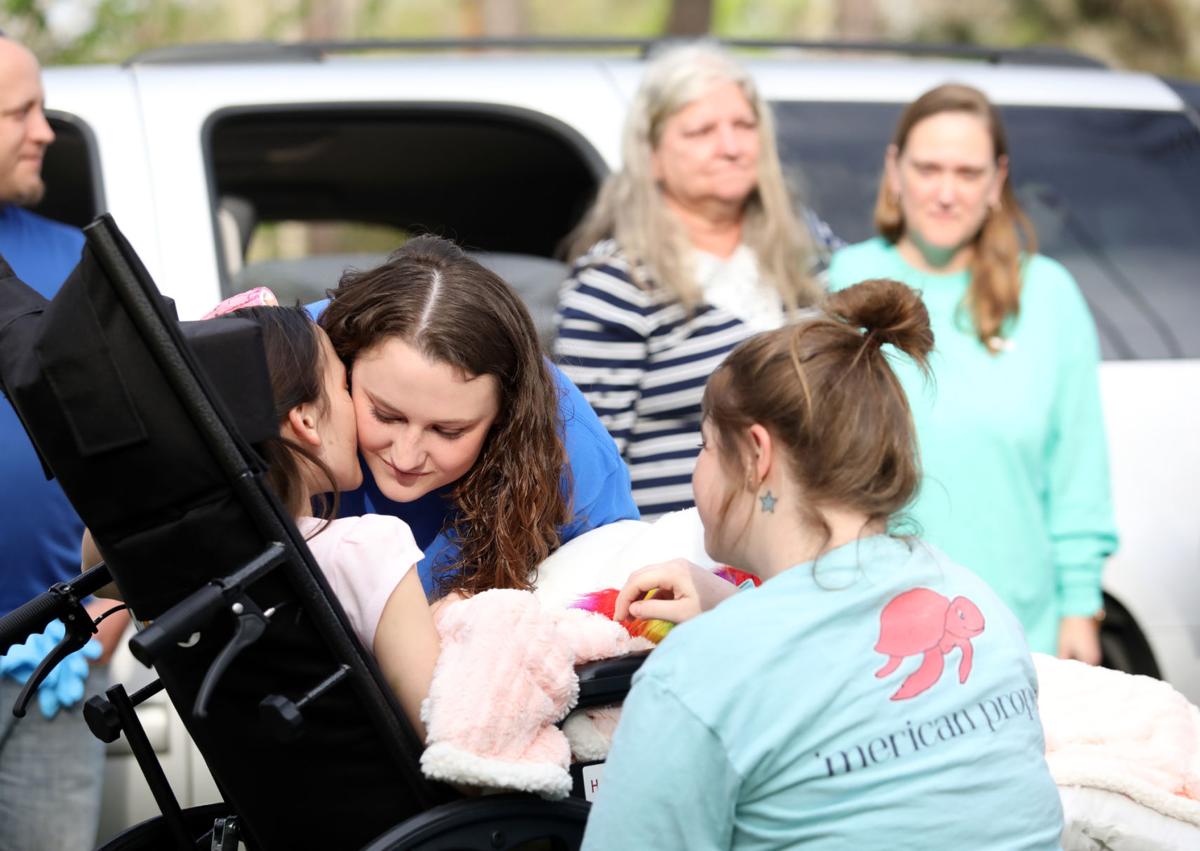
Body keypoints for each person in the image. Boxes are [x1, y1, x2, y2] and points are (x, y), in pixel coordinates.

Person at [583, 279, 1063, 849]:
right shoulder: (975, 600)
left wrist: (727, 635)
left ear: (757, 455)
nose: (698, 469)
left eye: (706, 446)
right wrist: (736, 610)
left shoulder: (697, 675)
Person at [827, 83, 1117, 661]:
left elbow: (1077, 469)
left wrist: (1080, 607)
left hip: (1019, 630)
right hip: (879, 627)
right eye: (928, 168)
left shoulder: (1048, 294)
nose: (945, 192)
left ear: (996, 180)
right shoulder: (846, 280)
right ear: (895, 169)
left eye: (967, 172)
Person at [554, 41, 834, 520]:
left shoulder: (808, 248)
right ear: (653, 155)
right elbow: (584, 468)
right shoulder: (616, 283)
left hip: (815, 552)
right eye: (702, 130)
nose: (731, 146)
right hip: (682, 567)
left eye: (744, 126)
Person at [309, 235, 639, 598]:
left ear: (505, 414)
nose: (406, 455)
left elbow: (612, 588)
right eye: (386, 416)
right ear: (345, 369)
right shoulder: (287, 367)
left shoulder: (571, 456)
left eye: (449, 431)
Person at [0, 34, 129, 851]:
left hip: (47, 660)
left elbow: (139, 453)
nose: (45, 130)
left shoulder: (73, 261)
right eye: (19, 112)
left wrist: (105, 611)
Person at [228, 305, 439, 736]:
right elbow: (448, 735)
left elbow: (97, 572)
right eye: (344, 386)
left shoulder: (209, 566)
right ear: (305, 419)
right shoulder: (365, 547)